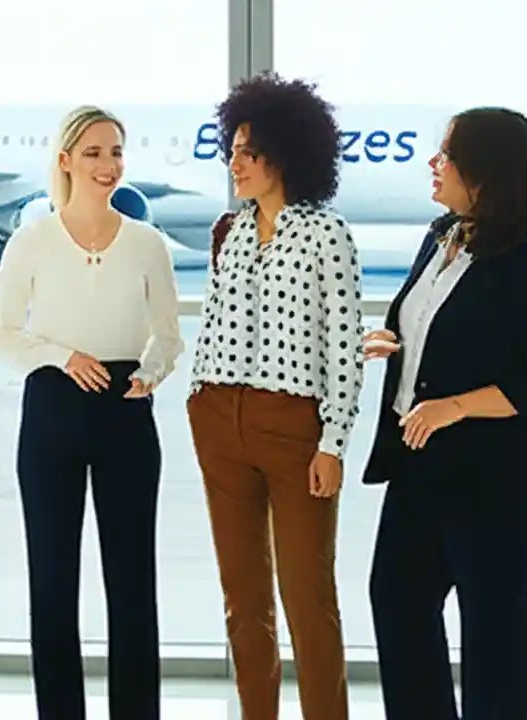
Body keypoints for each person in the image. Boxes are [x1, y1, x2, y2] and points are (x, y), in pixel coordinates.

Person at [361, 107, 527, 719]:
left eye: (447, 155)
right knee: (398, 605)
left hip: (495, 480)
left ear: (485, 171)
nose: (434, 164)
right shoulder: (441, 235)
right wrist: (393, 343)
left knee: (493, 632)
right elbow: (435, 319)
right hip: (417, 464)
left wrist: (455, 405)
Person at [0, 105, 182, 720]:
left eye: (116, 151)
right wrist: (62, 357)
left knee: (132, 582)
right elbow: (0, 331)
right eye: (94, 152)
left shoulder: (147, 243)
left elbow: (168, 336)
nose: (108, 164)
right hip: (52, 410)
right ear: (65, 160)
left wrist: (150, 373)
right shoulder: (33, 239)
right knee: (52, 580)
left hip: (126, 410)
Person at [185, 72, 362, 720]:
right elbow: (216, 322)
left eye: (247, 151)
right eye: (230, 149)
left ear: (286, 154)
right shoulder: (227, 232)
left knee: (308, 598)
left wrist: (333, 443)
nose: (233, 162)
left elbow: (343, 348)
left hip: (294, 428)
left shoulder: (326, 235)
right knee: (243, 599)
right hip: (220, 421)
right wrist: (200, 398)